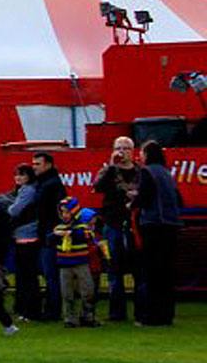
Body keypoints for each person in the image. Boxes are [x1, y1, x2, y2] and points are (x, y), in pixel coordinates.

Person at [132, 140, 183, 327]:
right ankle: (167, 314)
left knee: (152, 272)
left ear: (148, 155)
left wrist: (132, 202)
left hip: (154, 225)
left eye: (142, 153)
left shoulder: (147, 172)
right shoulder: (167, 174)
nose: (140, 156)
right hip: (171, 225)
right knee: (166, 272)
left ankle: (151, 316)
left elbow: (144, 196)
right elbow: (179, 199)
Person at [92, 136, 139, 323]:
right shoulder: (108, 170)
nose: (122, 151)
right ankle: (117, 313)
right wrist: (111, 167)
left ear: (132, 151)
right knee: (114, 270)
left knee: (137, 269)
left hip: (135, 225)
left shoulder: (139, 171)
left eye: (126, 148)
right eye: (118, 148)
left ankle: (140, 310)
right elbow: (97, 187)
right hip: (113, 225)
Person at [51, 196, 103, 328]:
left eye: (67, 212)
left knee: (88, 291)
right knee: (67, 293)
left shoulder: (82, 226)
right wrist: (55, 235)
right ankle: (70, 319)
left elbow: (86, 235)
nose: (64, 215)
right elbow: (49, 240)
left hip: (81, 262)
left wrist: (70, 233)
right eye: (62, 212)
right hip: (64, 264)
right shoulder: (59, 227)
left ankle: (88, 316)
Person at [29, 151, 66, 322]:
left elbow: (41, 209)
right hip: (50, 232)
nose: (34, 167)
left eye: (38, 164)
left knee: (51, 274)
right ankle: (53, 308)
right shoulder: (48, 183)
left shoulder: (48, 185)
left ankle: (53, 310)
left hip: (49, 234)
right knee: (50, 274)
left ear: (48, 165)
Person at [4, 163, 42, 320]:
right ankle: (27, 308)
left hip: (26, 237)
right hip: (26, 235)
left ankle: (29, 309)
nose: (18, 177)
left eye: (22, 174)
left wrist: (7, 207)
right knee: (27, 275)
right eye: (16, 174)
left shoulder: (27, 190)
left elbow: (14, 210)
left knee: (26, 275)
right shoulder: (29, 189)